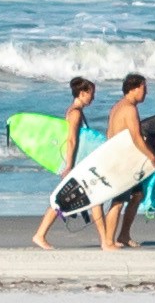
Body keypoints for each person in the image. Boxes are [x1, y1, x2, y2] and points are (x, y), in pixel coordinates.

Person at [26, 74, 100, 251]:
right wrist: (69, 165)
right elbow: (71, 140)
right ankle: (40, 235)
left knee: (83, 198)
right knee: (64, 200)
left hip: (75, 163)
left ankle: (106, 239)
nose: (93, 97)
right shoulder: (75, 113)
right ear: (82, 93)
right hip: (72, 164)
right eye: (91, 93)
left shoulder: (76, 111)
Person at [99, 71, 155, 252]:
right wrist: (152, 157)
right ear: (133, 88)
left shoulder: (117, 106)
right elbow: (136, 138)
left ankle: (124, 235)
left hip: (122, 159)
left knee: (137, 196)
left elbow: (110, 134)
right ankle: (108, 242)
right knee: (118, 201)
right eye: (144, 88)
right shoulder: (129, 109)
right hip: (122, 162)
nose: (146, 92)